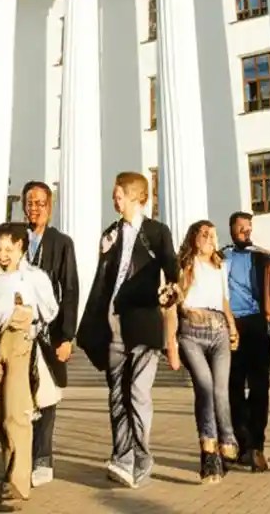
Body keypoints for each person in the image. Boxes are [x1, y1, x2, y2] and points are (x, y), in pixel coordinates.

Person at [76, 171, 178, 489]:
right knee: (118, 394)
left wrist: (173, 288)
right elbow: (102, 277)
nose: (114, 198)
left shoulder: (156, 232)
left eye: (119, 193)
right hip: (112, 321)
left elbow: (171, 264)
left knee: (137, 391)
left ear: (138, 196)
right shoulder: (110, 233)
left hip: (144, 321)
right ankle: (122, 457)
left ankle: (143, 456)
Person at [0, 223, 59, 507]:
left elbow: (51, 309)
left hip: (23, 342)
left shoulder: (34, 277)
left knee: (16, 414)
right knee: (1, 414)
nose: (2, 254)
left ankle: (18, 484)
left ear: (21, 247)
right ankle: (10, 472)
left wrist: (29, 313)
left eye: (8, 249)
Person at [166, 220, 239, 483]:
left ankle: (226, 442)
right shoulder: (186, 264)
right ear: (194, 238)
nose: (210, 239)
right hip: (191, 334)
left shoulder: (220, 266)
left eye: (213, 235)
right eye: (204, 234)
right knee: (205, 387)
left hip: (219, 331)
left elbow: (224, 301)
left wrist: (232, 327)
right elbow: (174, 301)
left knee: (221, 390)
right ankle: (209, 454)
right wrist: (172, 342)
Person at [18, 182, 80, 487]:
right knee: (18, 395)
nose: (35, 208)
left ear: (50, 206)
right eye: (30, 202)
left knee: (46, 394)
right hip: (17, 331)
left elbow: (70, 289)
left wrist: (67, 336)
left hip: (48, 332)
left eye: (41, 203)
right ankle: (19, 456)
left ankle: (42, 457)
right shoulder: (13, 239)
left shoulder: (61, 243)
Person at [221, 212, 270, 472]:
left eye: (248, 227)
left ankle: (257, 446)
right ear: (231, 229)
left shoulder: (261, 257)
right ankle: (242, 441)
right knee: (232, 386)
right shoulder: (222, 257)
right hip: (230, 325)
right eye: (240, 227)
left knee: (259, 387)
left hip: (256, 325)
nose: (245, 231)